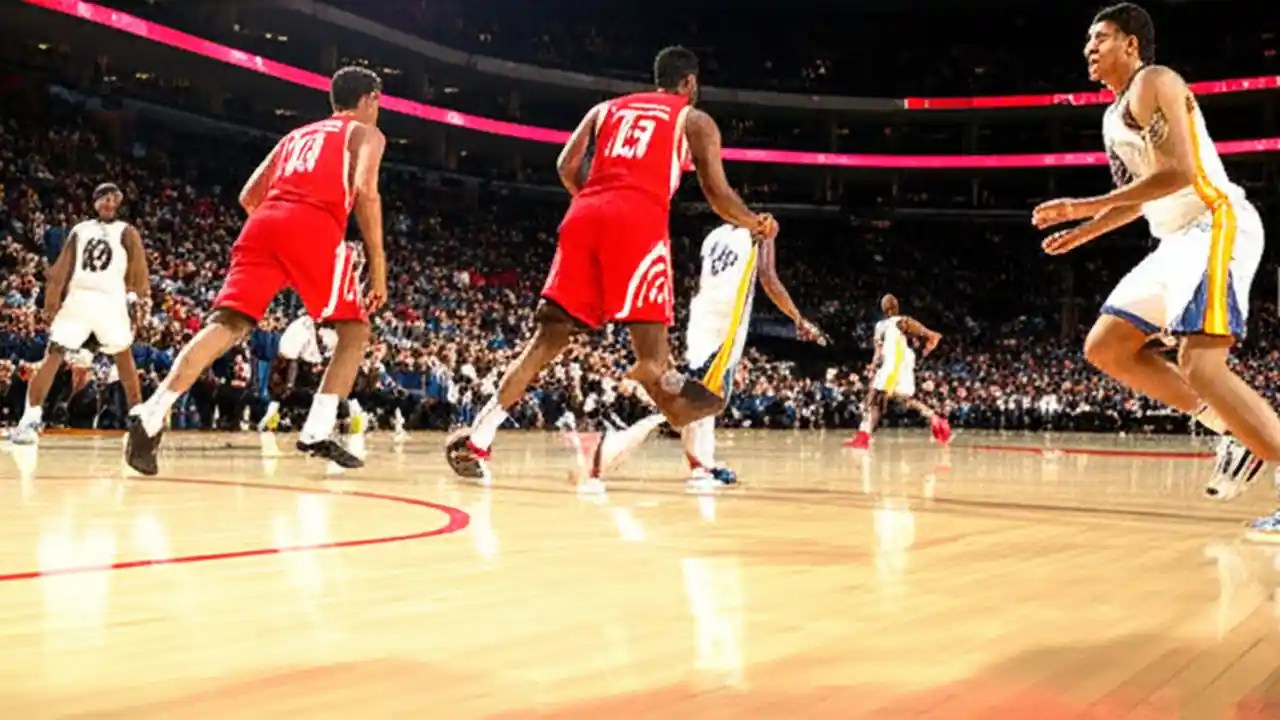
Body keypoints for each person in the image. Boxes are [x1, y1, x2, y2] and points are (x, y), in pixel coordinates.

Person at [446, 46, 778, 486]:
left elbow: (566, 165)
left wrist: (594, 201)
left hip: (583, 215)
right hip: (636, 222)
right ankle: (612, 446)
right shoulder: (693, 119)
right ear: (690, 83)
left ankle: (480, 437)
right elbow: (717, 193)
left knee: (544, 342)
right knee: (654, 361)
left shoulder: (606, 108)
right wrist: (756, 221)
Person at [1032, 3, 1274, 520]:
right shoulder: (1111, 116)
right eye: (1087, 41)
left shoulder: (1154, 81)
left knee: (1200, 364)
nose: (1088, 49)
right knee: (1107, 347)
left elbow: (1182, 173)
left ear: (1131, 44)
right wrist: (1084, 233)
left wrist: (1084, 206)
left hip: (1214, 223)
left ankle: (1253, 439)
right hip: (1175, 241)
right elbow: (1139, 199)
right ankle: (1232, 430)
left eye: (1100, 38)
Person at [124, 66, 388, 475]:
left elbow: (249, 196)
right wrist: (378, 262)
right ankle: (317, 430)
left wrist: (281, 242)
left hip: (263, 224)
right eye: (379, 101)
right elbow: (366, 191)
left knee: (226, 325)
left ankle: (152, 411)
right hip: (312, 224)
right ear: (369, 99)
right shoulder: (365, 134)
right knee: (354, 330)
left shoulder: (294, 137)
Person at [9, 183, 148, 444]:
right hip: (80, 297)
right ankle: (29, 419)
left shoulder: (126, 231)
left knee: (124, 357)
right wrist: (51, 302)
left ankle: (139, 418)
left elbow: (138, 268)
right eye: (103, 199)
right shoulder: (80, 230)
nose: (108, 203)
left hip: (111, 299)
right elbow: (62, 269)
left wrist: (139, 298)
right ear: (95, 202)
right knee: (53, 355)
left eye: (112, 199)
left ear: (118, 204)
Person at [844, 294, 949, 450]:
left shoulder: (882, 325)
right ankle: (934, 418)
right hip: (905, 359)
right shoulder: (904, 321)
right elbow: (929, 334)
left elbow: (878, 351)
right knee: (903, 399)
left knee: (872, 400)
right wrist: (930, 341)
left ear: (884, 308)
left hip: (892, 361)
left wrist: (873, 366)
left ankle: (863, 437)